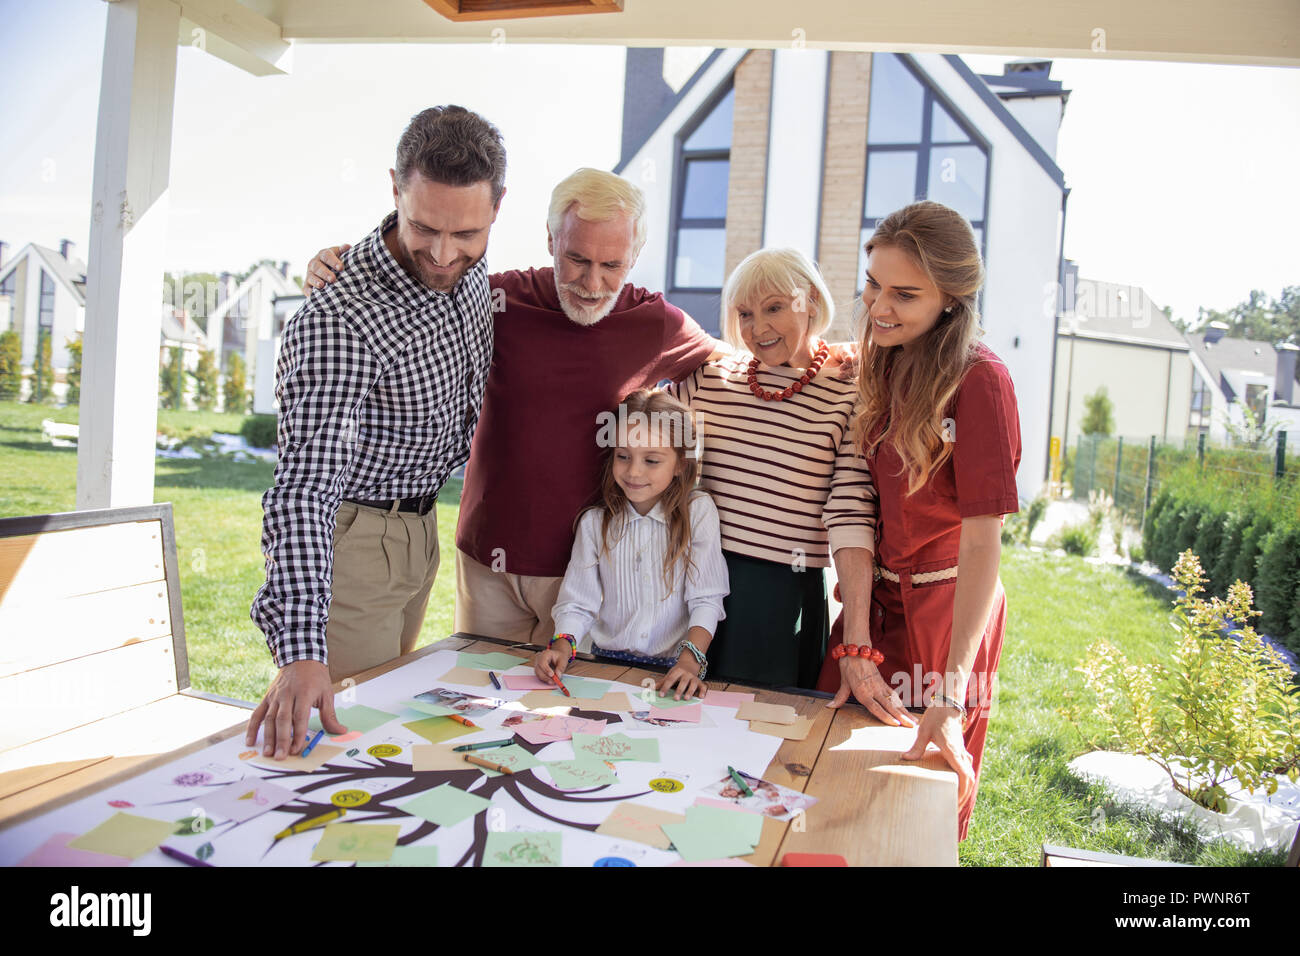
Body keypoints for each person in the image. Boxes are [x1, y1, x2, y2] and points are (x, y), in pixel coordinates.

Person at [303, 168, 721, 648]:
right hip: (487, 557)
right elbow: (409, 289)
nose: (592, 282)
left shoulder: (654, 322)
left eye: (612, 265)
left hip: (583, 569)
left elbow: (733, 363)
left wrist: (824, 357)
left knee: (561, 714)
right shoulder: (495, 299)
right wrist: (332, 263)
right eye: (577, 259)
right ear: (549, 239)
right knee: (476, 704)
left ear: (635, 256)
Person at [244, 105, 507, 760]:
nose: (444, 254)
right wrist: (302, 651)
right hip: (353, 546)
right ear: (395, 189)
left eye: (466, 233)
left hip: (420, 536)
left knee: (388, 737)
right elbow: (302, 490)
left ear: (498, 207)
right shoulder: (341, 319)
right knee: (332, 751)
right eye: (423, 228)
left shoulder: (470, 276)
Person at [817, 200, 1022, 843]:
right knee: (821, 766)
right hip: (871, 597)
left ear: (952, 302)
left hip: (947, 608)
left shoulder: (980, 382)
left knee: (915, 794)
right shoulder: (881, 354)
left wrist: (952, 686)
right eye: (873, 283)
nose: (878, 306)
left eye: (904, 294)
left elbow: (986, 542)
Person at [667, 248, 878, 689]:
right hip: (696, 584)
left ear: (812, 305)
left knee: (762, 732)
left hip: (783, 599)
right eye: (745, 313)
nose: (758, 327)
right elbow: (639, 436)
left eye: (775, 308)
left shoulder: (848, 391)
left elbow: (851, 513)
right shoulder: (711, 377)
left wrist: (857, 637)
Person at [532, 389, 728, 700]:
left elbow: (706, 599)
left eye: (651, 460)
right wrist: (561, 646)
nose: (634, 471)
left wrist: (689, 663)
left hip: (673, 673)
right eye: (623, 456)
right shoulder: (595, 523)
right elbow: (577, 603)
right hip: (601, 667)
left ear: (680, 463)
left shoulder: (698, 513)